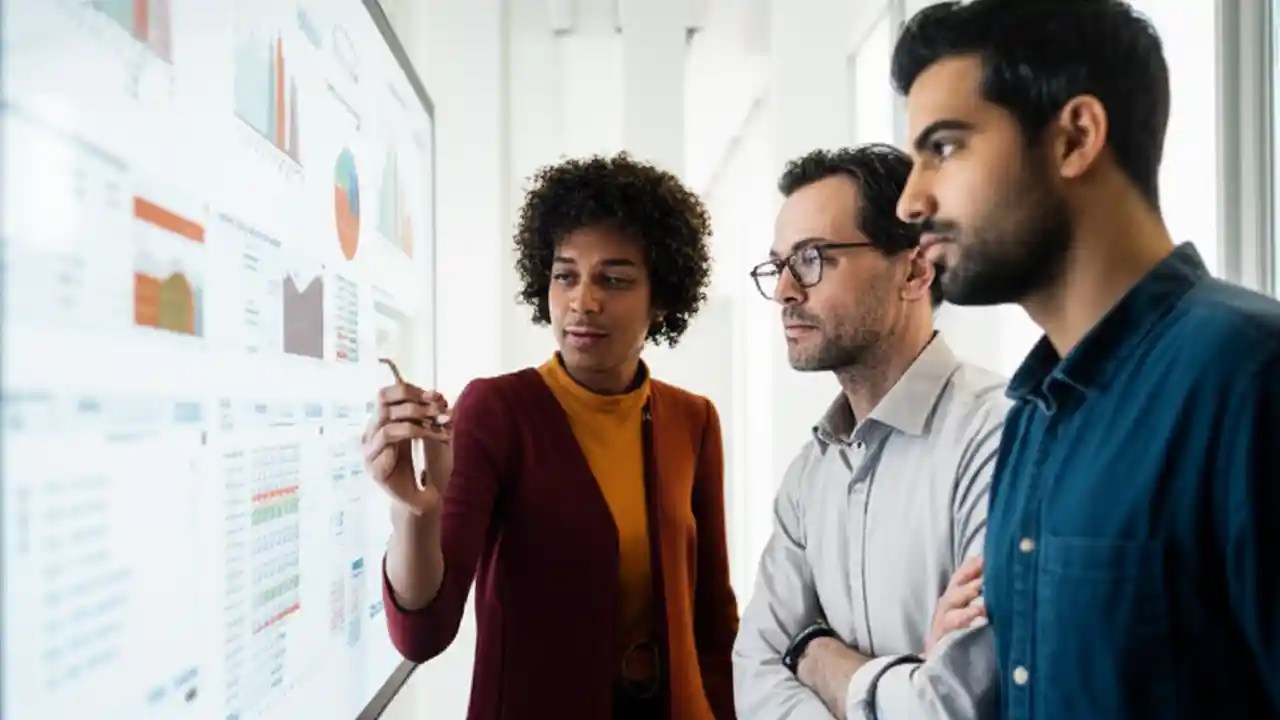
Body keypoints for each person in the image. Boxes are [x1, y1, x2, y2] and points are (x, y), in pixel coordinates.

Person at [892, 1, 1280, 718]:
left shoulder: (1250, 377)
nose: (911, 201)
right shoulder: (1032, 415)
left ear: (1074, 137)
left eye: (944, 148)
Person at [363, 153, 739, 719]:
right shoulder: (498, 410)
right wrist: (415, 516)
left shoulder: (693, 420)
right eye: (565, 275)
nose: (581, 301)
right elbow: (424, 634)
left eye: (613, 279)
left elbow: (713, 621)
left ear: (661, 300)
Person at [732, 144, 1010, 720]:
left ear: (913, 269)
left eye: (811, 259)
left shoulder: (998, 439)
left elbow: (954, 708)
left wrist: (812, 654)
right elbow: (754, 672)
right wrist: (905, 684)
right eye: (778, 265)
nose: (785, 291)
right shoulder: (810, 475)